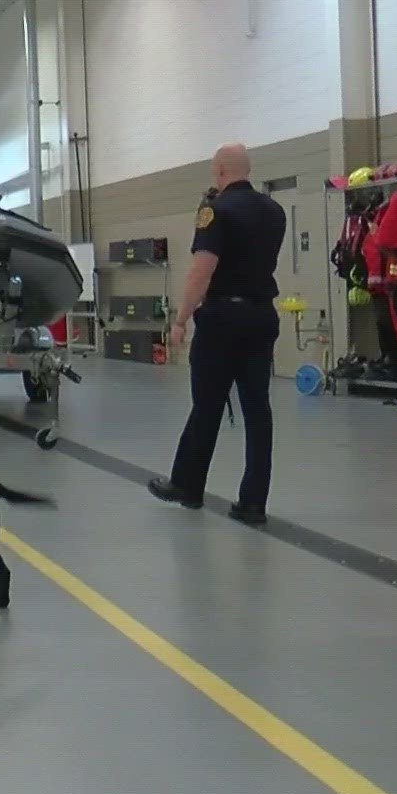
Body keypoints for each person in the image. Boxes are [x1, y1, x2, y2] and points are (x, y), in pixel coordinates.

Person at [148, 142, 289, 524]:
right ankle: (253, 502)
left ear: (222, 170)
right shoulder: (275, 211)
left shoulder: (216, 211)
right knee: (258, 409)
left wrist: (180, 320)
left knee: (207, 404)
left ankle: (187, 486)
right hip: (262, 317)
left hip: (222, 318)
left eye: (214, 169)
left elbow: (201, 271)